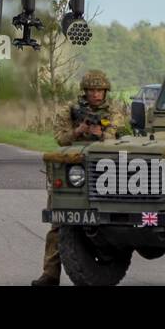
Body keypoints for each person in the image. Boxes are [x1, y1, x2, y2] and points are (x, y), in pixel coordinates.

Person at [32, 69, 117, 286]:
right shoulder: (70, 110)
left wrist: (103, 135)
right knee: (58, 223)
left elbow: (121, 132)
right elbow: (61, 139)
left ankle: (106, 264)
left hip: (107, 170)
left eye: (100, 90)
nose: (97, 95)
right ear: (85, 92)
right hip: (74, 170)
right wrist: (77, 131)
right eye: (92, 90)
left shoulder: (114, 110)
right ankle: (50, 273)